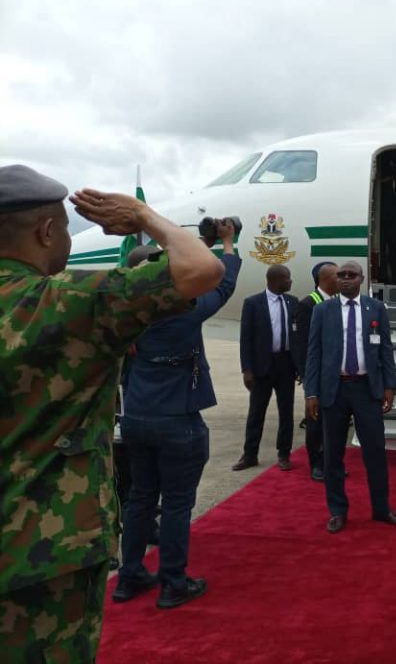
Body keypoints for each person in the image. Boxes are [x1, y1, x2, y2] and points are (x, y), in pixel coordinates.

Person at [0, 166, 224, 662]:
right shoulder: (65, 303)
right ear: (47, 232)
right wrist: (145, 215)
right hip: (37, 552)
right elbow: (202, 270)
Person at [114, 219, 241, 609]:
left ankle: (129, 576)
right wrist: (227, 242)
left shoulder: (122, 312)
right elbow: (222, 282)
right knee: (175, 504)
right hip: (177, 421)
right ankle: (172, 582)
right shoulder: (181, 309)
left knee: (139, 499)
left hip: (135, 418)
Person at [304, 261, 396, 533]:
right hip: (333, 390)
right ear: (336, 280)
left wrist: (390, 385)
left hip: (366, 389)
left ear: (362, 279)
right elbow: (313, 354)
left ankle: (381, 508)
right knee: (333, 455)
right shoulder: (322, 310)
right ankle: (337, 511)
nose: (346, 279)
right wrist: (311, 392)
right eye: (341, 276)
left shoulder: (376, 309)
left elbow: (386, 349)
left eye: (351, 275)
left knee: (375, 451)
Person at [233, 265, 298, 472]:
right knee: (256, 412)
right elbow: (246, 339)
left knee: (286, 412)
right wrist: (247, 370)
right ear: (275, 279)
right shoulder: (253, 303)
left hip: (286, 364)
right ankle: (250, 454)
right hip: (262, 366)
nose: (290, 281)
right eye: (287, 278)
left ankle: (284, 454)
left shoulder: (292, 302)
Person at [292, 260, 338, 481]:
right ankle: (316, 464)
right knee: (315, 422)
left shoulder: (339, 301)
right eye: (337, 276)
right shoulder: (308, 304)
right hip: (317, 374)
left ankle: (331, 462)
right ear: (326, 280)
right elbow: (301, 345)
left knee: (335, 423)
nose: (342, 280)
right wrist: (305, 375)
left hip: (336, 373)